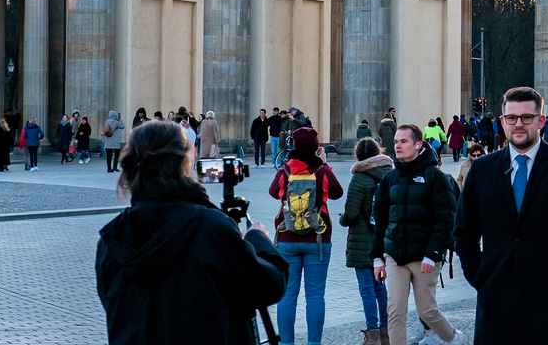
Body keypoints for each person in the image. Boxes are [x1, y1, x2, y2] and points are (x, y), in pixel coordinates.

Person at [96, 120, 288, 345]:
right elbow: (270, 286)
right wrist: (258, 238)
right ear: (184, 164)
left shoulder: (112, 239)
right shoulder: (211, 227)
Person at [454, 86, 548, 344]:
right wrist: (480, 277)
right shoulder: (482, 170)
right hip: (495, 302)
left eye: (526, 117)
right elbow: (463, 232)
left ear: (541, 121)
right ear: (503, 122)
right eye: (511, 118)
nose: (518, 124)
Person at [371, 124, 461, 345]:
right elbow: (380, 221)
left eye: (403, 142)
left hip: (424, 256)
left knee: (427, 311)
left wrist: (433, 253)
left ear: (418, 145)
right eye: (396, 142)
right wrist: (377, 258)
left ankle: (454, 338)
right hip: (395, 255)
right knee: (395, 311)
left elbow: (446, 219)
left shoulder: (435, 177)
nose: (398, 146)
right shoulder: (390, 179)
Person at [268, 126, 343, 345]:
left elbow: (273, 193)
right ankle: (313, 343)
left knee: (288, 295)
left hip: (287, 238)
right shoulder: (323, 172)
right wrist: (325, 163)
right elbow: (338, 193)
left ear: (295, 145)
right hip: (318, 239)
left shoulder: (284, 171)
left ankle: (286, 343)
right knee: (315, 296)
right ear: (315, 147)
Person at [339, 136, 393, 345]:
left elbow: (351, 214)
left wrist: (342, 219)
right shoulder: (390, 174)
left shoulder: (360, 178)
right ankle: (386, 333)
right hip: (384, 239)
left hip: (362, 241)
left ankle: (373, 336)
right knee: (380, 288)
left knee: (367, 290)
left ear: (358, 156)